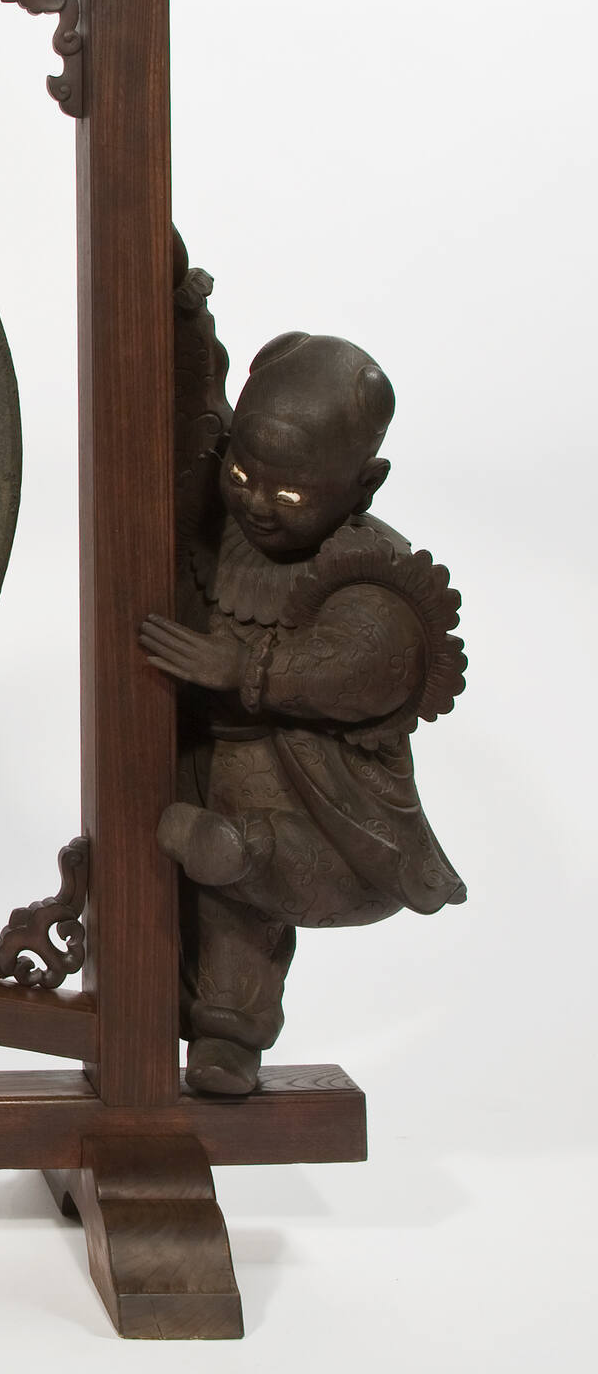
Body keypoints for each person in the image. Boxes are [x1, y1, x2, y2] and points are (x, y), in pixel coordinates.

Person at [139, 332, 466, 1096]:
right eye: (242, 473)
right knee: (208, 905)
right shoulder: (209, 524)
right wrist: (181, 303)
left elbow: (373, 664)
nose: (255, 501)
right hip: (194, 756)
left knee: (246, 887)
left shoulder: (366, 569)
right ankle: (206, 1020)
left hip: (309, 796)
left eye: (288, 495)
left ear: (364, 484)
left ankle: (229, 1027)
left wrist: (245, 668)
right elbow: (193, 397)